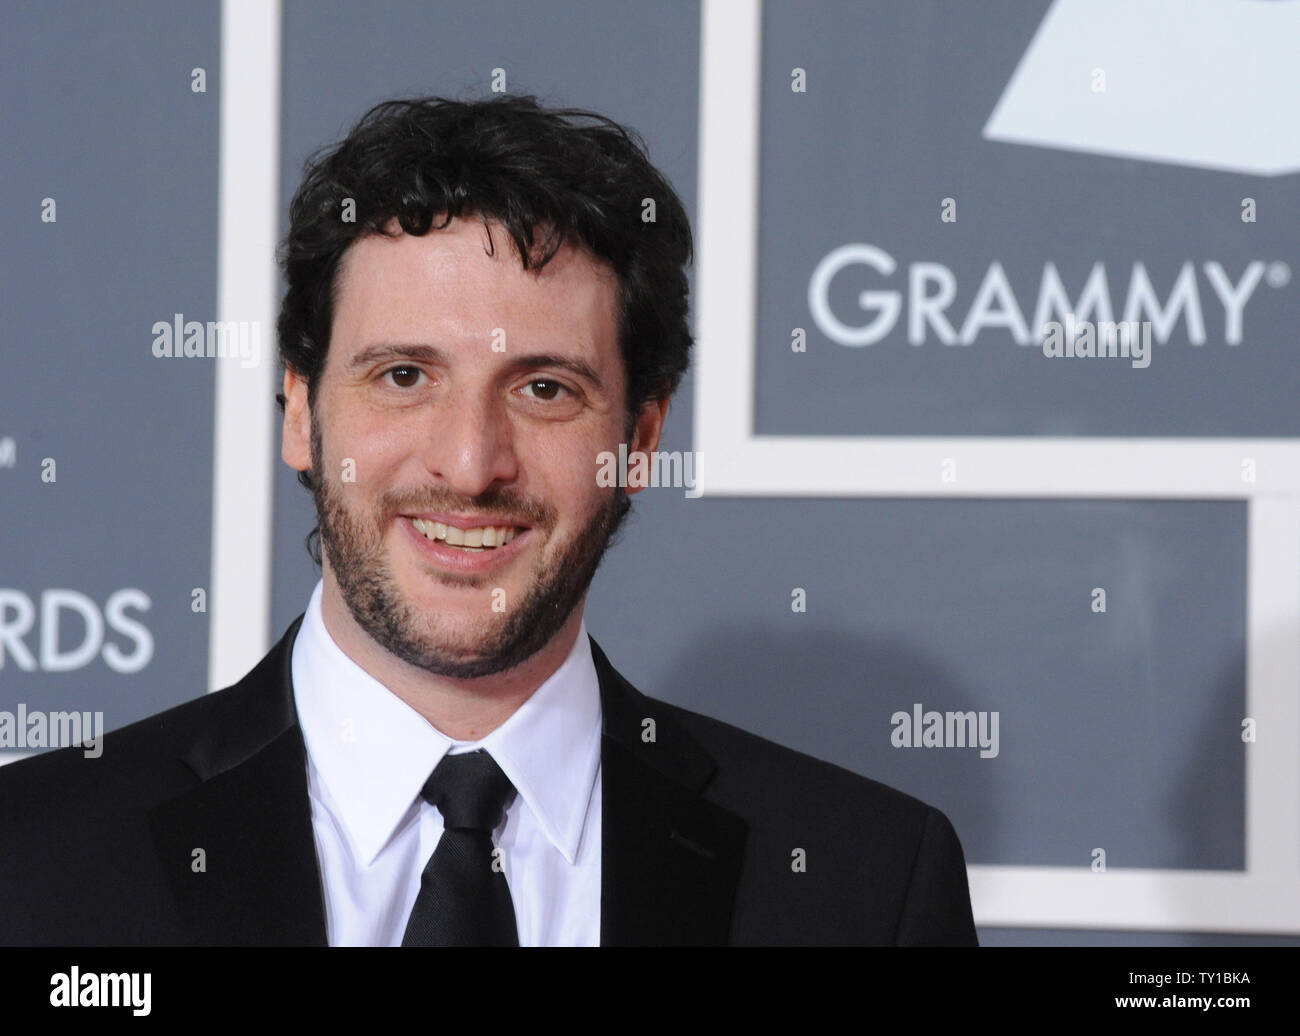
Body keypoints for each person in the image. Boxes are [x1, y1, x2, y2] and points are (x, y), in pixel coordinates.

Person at [0, 95, 978, 946]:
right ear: (300, 410)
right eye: (404, 376)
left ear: (640, 437)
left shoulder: (862, 885)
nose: (468, 463)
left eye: (545, 387)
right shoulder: (32, 861)